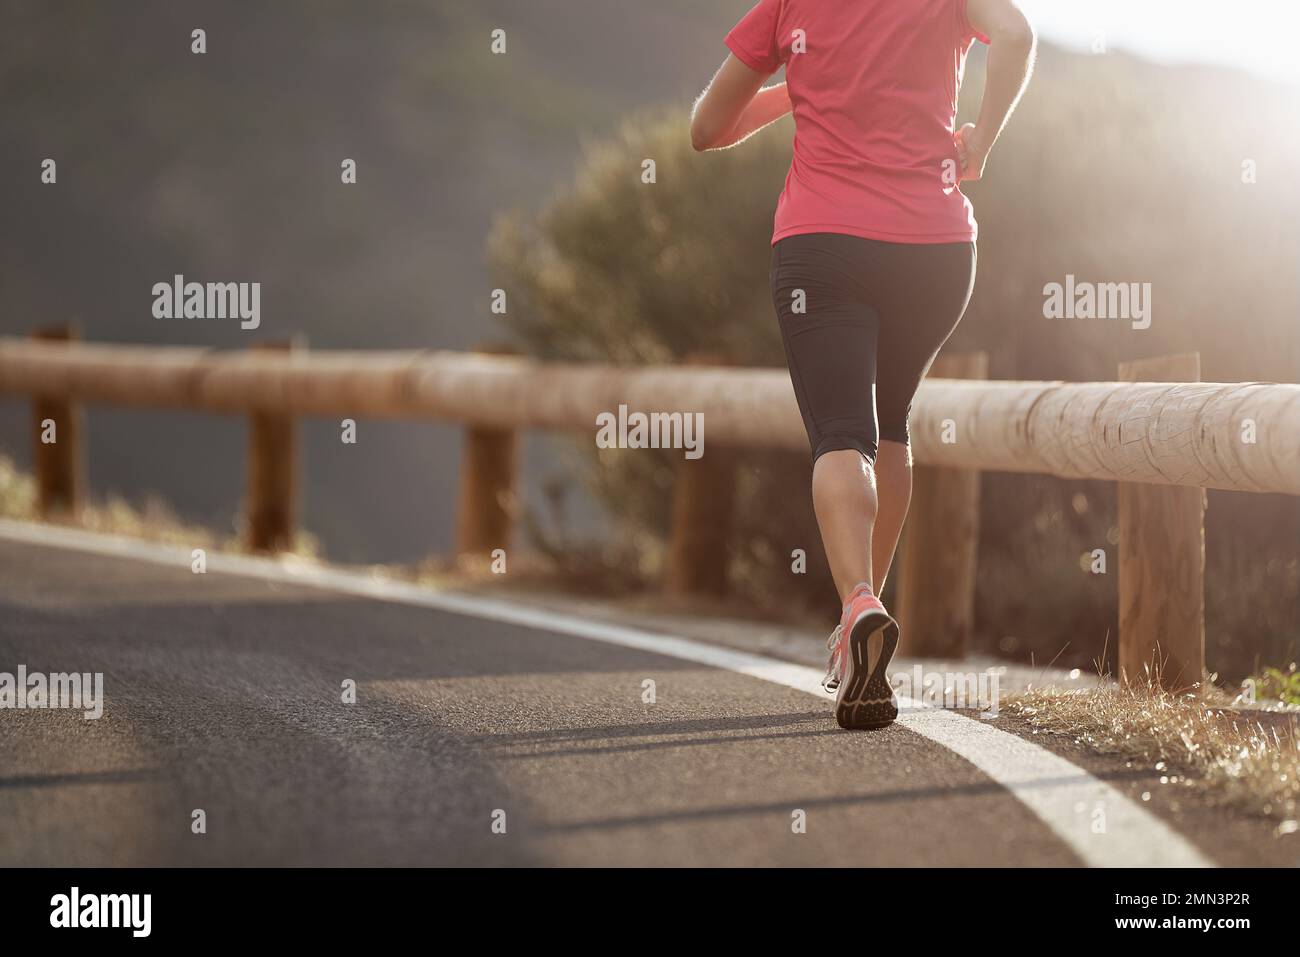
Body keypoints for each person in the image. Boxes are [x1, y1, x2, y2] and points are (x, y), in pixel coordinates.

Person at [690, 0, 1035, 729]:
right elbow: (1018, 35)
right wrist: (983, 143)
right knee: (890, 425)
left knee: (841, 432)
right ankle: (861, 634)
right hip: (937, 248)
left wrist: (798, 86)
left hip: (825, 244)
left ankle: (857, 605)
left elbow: (705, 129)